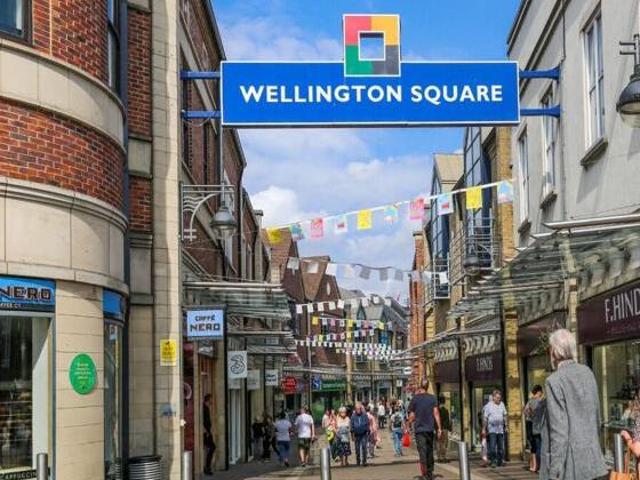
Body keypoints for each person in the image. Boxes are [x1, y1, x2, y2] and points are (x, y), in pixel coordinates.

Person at [539, 329, 607, 480]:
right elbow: (597, 418)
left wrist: (554, 473)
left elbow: (559, 431)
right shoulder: (587, 373)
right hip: (593, 462)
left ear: (554, 352)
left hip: (569, 467)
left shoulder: (554, 381)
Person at [408, 380, 442, 480]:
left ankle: (425, 473)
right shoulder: (432, 398)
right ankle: (430, 472)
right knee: (430, 450)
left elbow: (412, 415)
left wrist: (408, 425)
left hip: (419, 430)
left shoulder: (415, 399)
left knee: (422, 451)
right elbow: (436, 413)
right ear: (427, 387)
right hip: (429, 429)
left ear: (420, 386)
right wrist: (439, 428)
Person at [483, 389, 508, 468]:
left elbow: (505, 415)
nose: (499, 399)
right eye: (497, 398)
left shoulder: (502, 404)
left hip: (500, 429)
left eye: (499, 398)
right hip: (492, 429)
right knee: (493, 447)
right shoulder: (488, 406)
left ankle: (500, 461)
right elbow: (485, 418)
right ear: (493, 397)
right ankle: (493, 461)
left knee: (501, 447)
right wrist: (484, 429)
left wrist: (506, 426)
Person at [523, 385, 545, 473]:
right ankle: (541, 467)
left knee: (536, 447)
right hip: (542, 427)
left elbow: (525, 412)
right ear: (539, 392)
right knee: (541, 448)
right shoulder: (541, 401)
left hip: (534, 427)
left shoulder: (530, 401)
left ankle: (537, 466)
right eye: (541, 392)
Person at [351, 402, 370, 467]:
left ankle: (364, 461)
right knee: (357, 449)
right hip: (356, 435)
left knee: (364, 447)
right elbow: (352, 425)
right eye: (357, 409)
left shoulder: (364, 415)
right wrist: (352, 435)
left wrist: (368, 431)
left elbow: (367, 423)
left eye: (359, 409)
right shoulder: (353, 416)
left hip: (364, 434)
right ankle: (358, 461)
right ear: (355, 409)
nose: (358, 410)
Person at [202, 394, 216, 475]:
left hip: (208, 432)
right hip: (206, 433)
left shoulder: (206, 408)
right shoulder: (203, 408)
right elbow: (202, 421)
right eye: (211, 399)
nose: (212, 401)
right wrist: (206, 431)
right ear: (208, 399)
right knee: (212, 447)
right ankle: (207, 467)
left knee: (210, 448)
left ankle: (207, 467)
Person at [436, 396, 451, 463]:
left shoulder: (436, 410)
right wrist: (449, 428)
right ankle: (443, 457)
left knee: (438, 443)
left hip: (438, 429)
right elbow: (447, 421)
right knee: (444, 443)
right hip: (444, 429)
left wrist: (436, 428)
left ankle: (439, 457)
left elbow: (435, 420)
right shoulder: (446, 411)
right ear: (444, 402)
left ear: (439, 402)